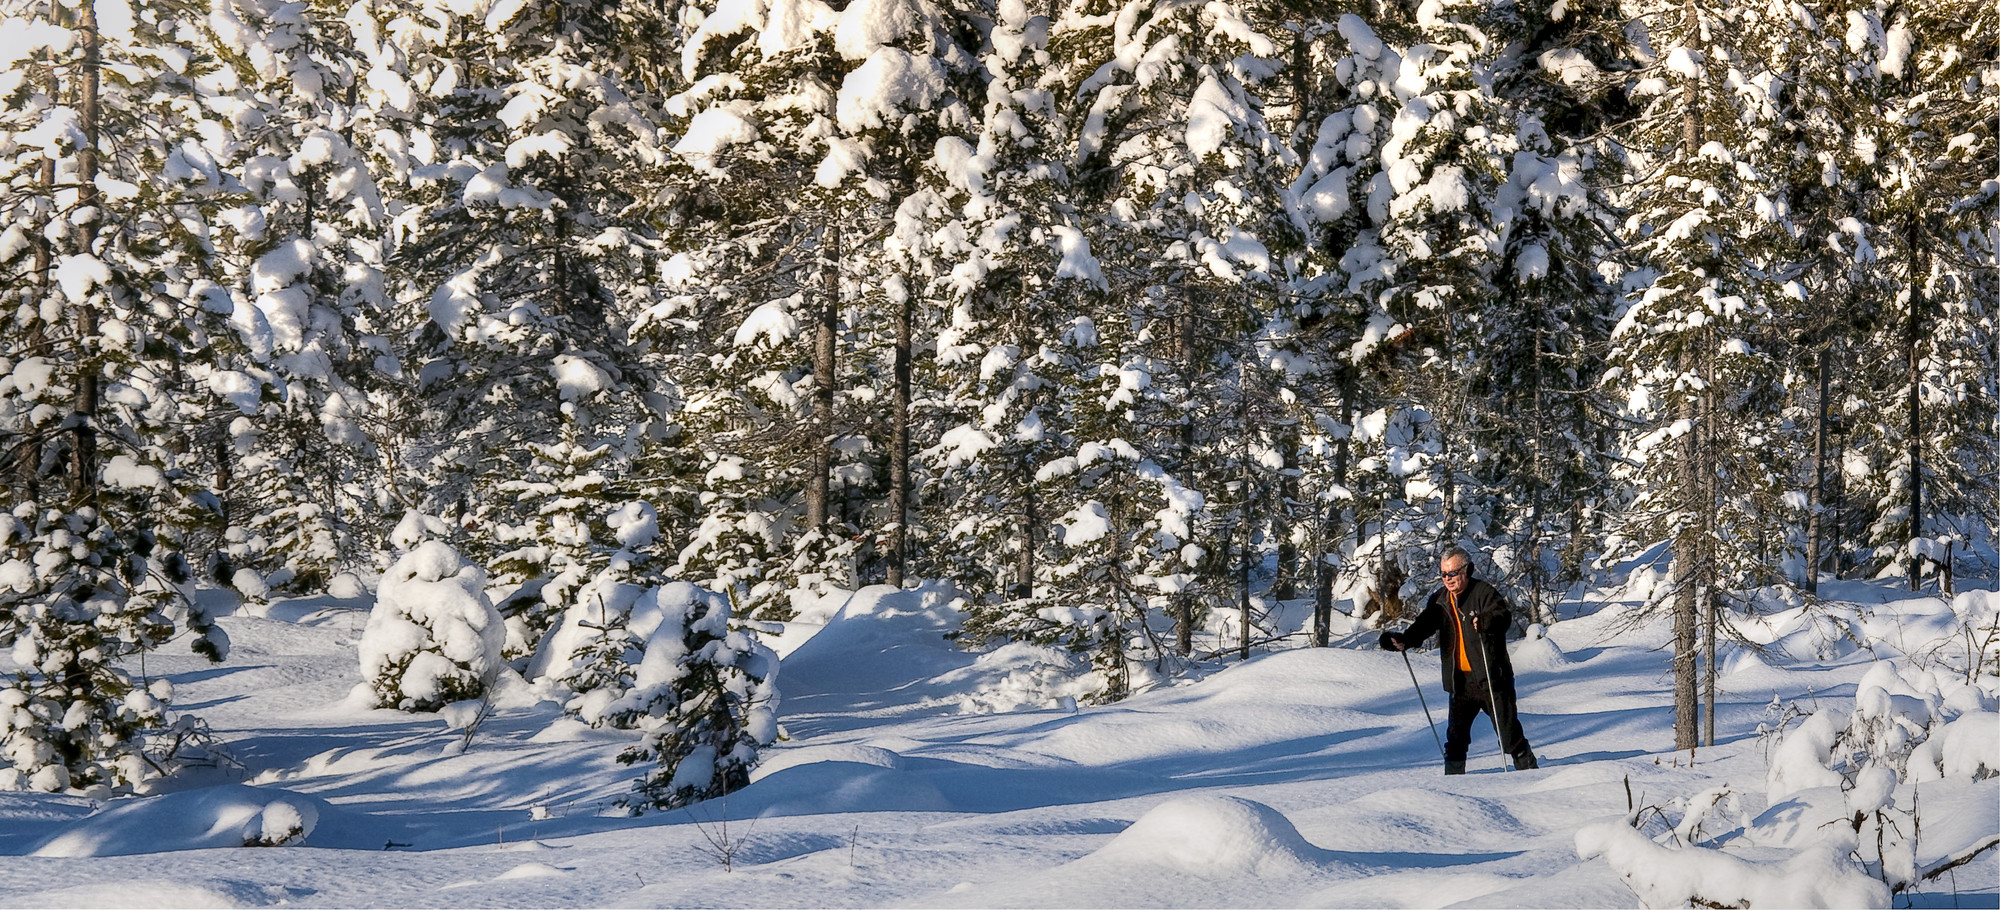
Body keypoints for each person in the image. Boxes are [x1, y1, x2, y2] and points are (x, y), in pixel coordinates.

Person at [1379, 546, 1538, 774]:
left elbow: (1503, 617)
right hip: (1461, 683)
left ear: (1467, 570)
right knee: (1455, 740)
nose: (1448, 579)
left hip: (1492, 679)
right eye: (1444, 574)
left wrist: (1487, 621)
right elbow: (1424, 625)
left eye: (1452, 573)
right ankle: (1454, 785)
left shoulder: (1483, 593)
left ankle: (1531, 774)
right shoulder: (1440, 600)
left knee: (1508, 735)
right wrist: (1404, 640)